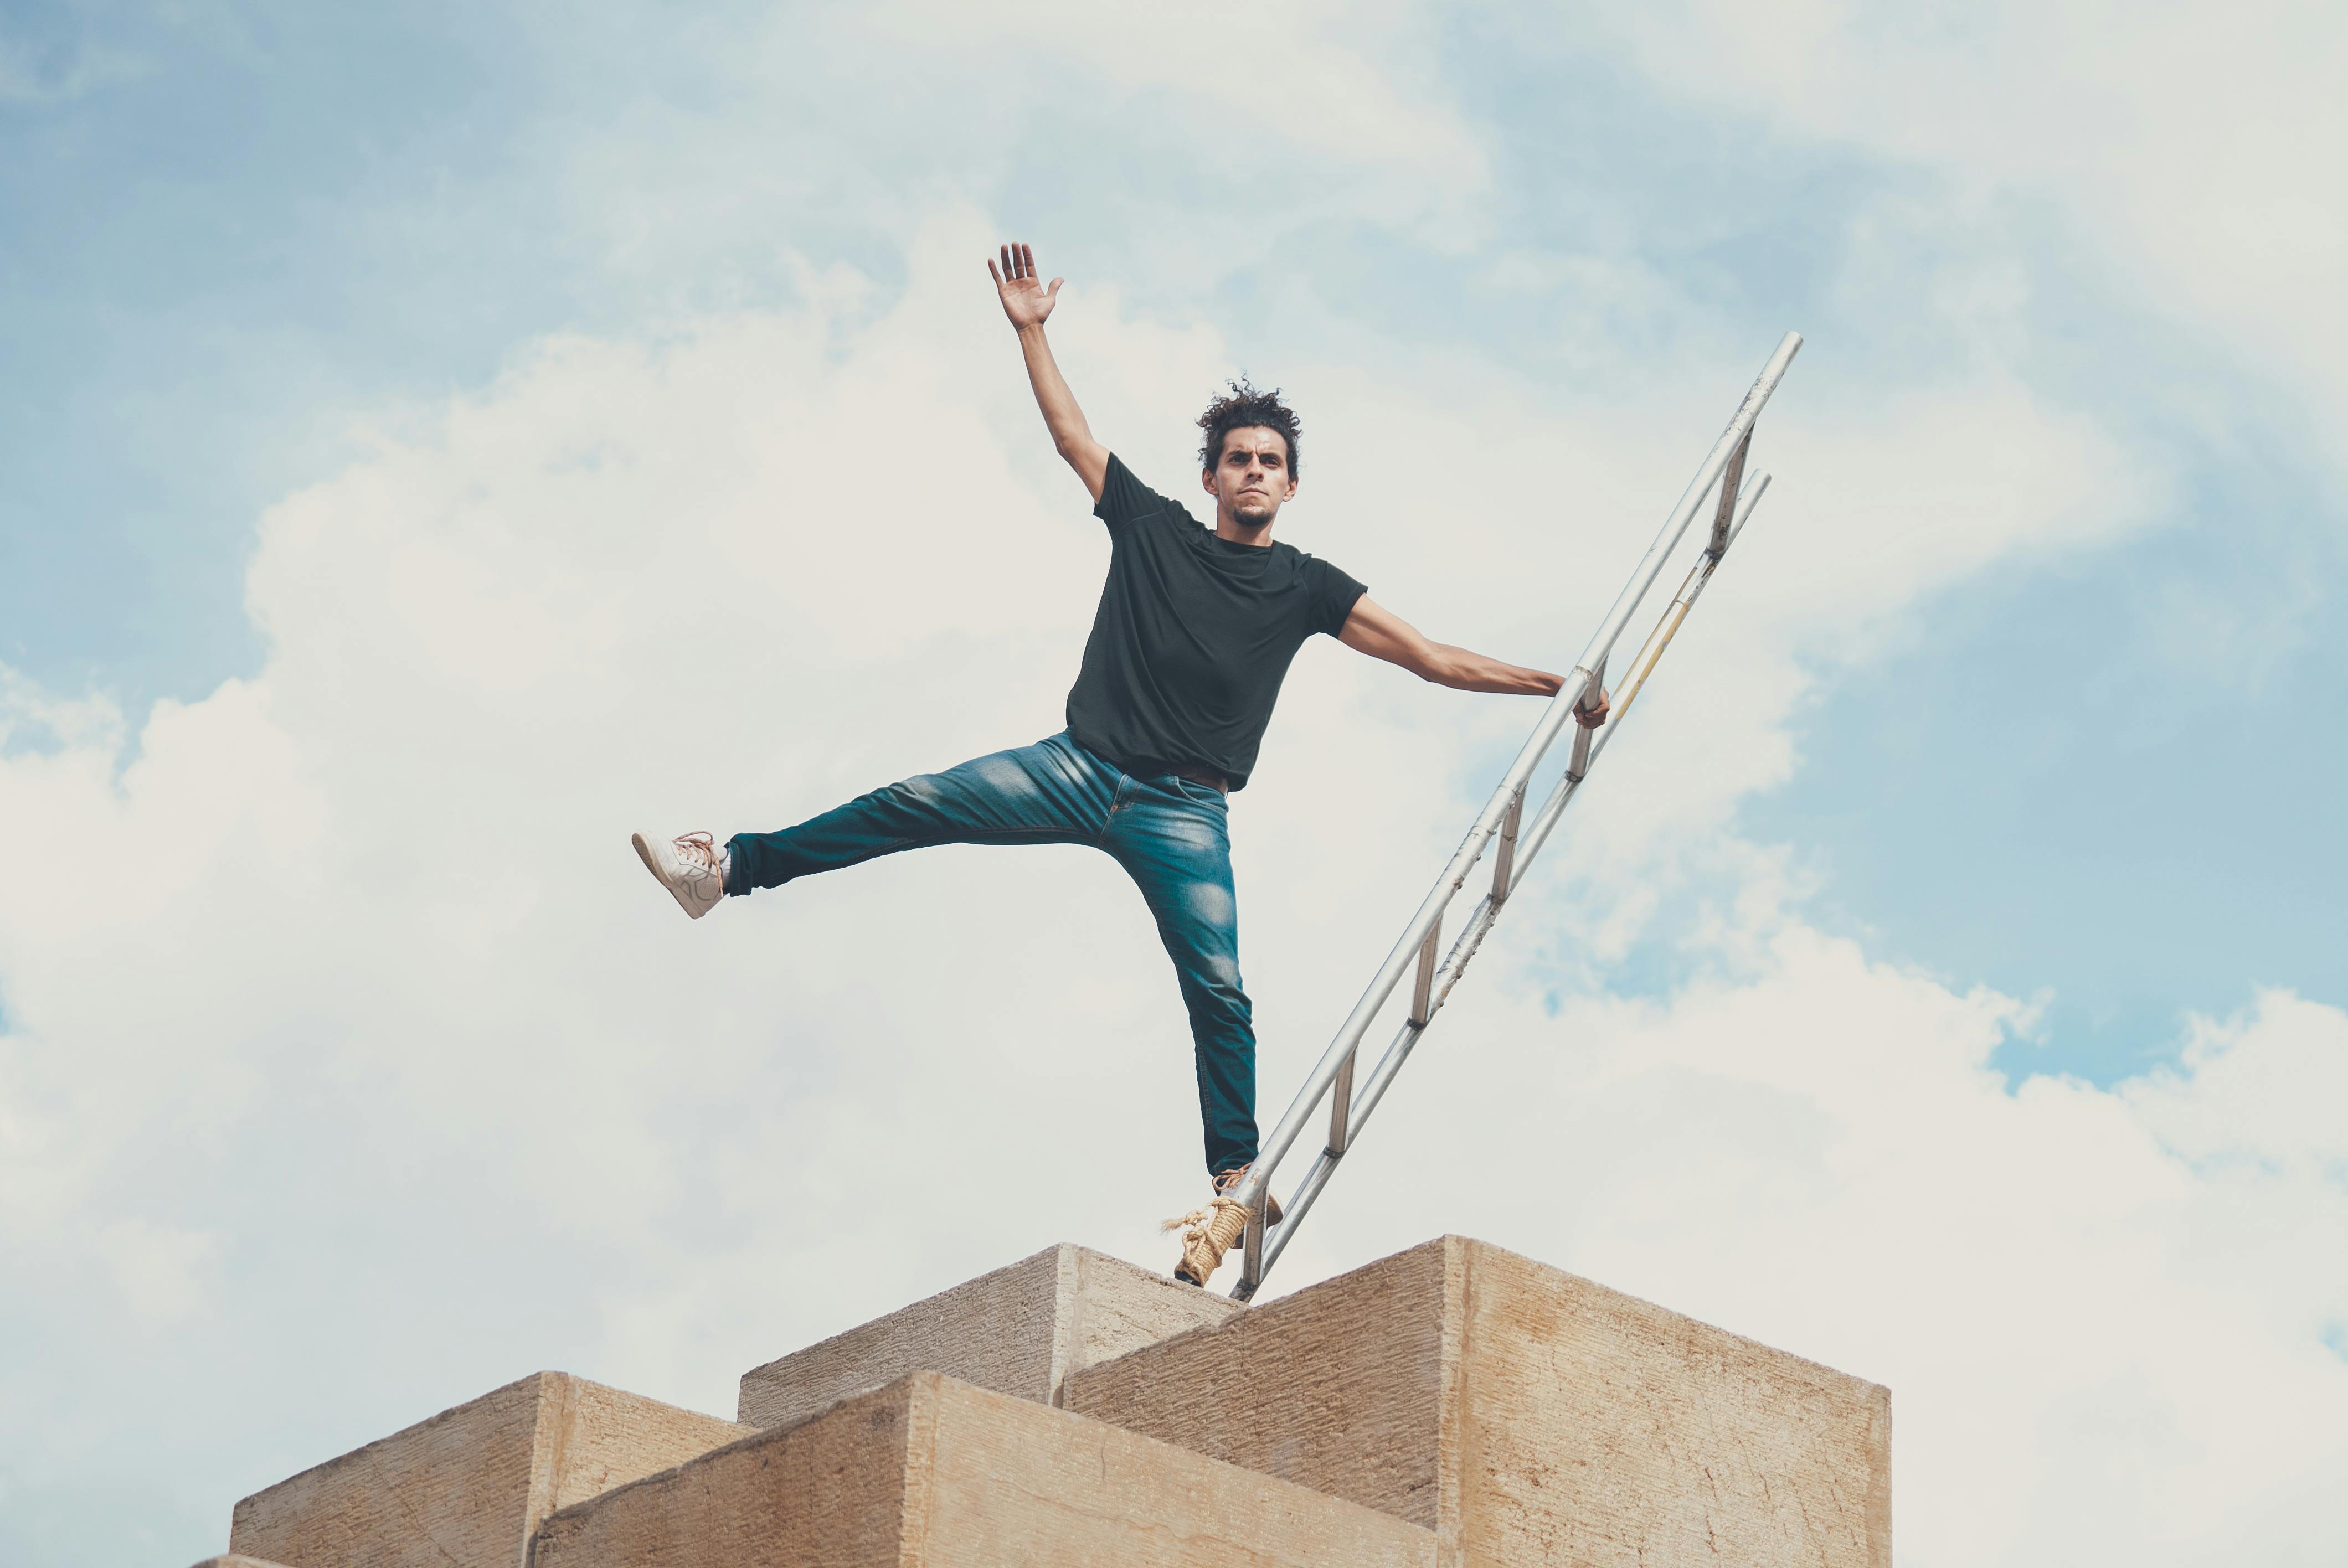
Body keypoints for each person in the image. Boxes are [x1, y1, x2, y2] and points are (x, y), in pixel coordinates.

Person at [633, 242, 1606, 1285]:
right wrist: (1032, 331)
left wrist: (1551, 685)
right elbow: (1069, 436)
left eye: (1271, 463)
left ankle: (1234, 1173)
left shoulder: (1309, 587)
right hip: (1079, 766)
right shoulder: (1154, 529)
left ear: (1290, 485)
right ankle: (727, 870)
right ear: (1211, 476)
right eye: (1239, 459)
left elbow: (1430, 657)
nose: (1254, 474)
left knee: (1219, 987)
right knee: (914, 803)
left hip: (1184, 811)